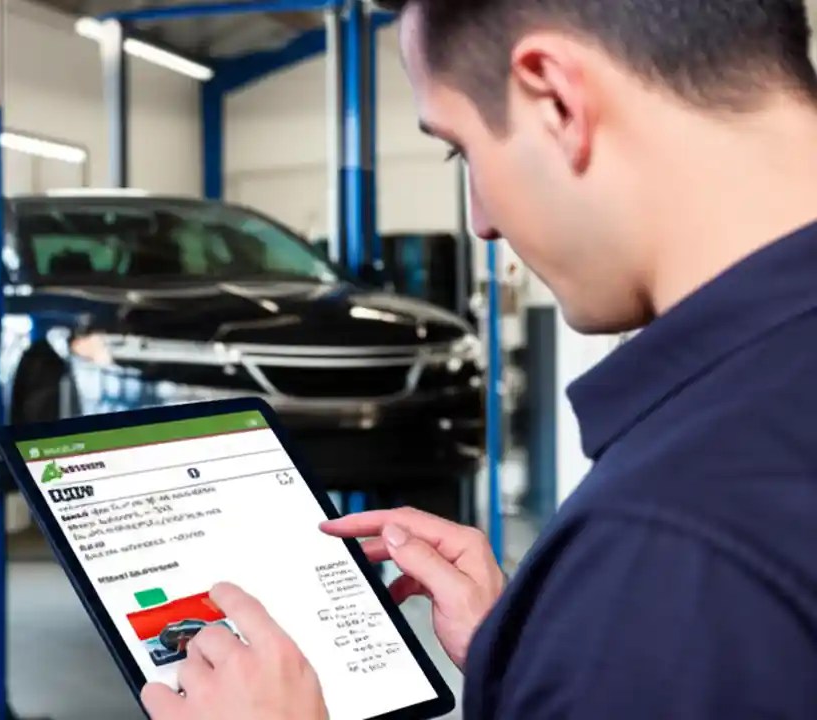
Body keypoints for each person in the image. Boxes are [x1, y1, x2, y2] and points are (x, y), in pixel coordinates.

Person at [141, 0, 817, 717]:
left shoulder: (669, 547)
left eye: (460, 148)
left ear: (556, 96)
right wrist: (539, 650)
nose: (482, 222)